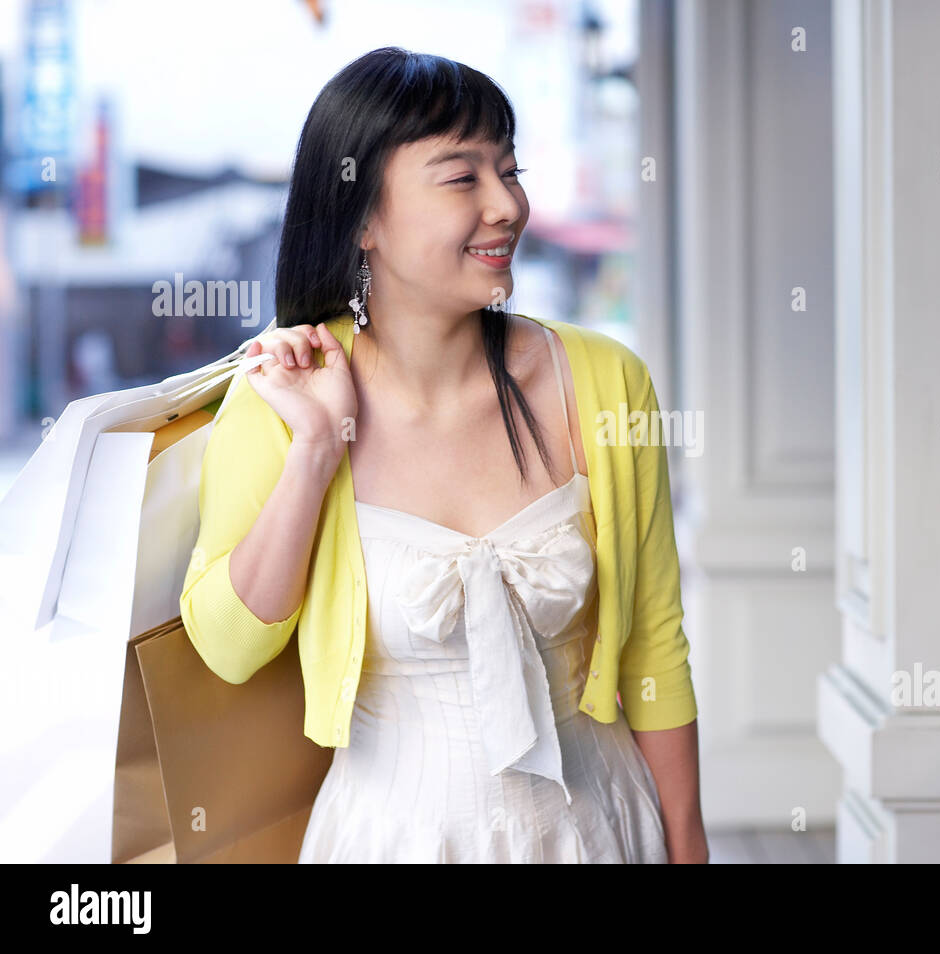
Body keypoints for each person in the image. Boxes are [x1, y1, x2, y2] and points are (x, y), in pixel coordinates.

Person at [178, 48, 706, 863]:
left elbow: (654, 644)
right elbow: (229, 646)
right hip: (391, 840)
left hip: (599, 831)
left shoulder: (604, 381)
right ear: (363, 219)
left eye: (510, 169)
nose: (508, 205)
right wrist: (317, 449)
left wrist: (688, 846)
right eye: (463, 179)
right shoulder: (281, 399)